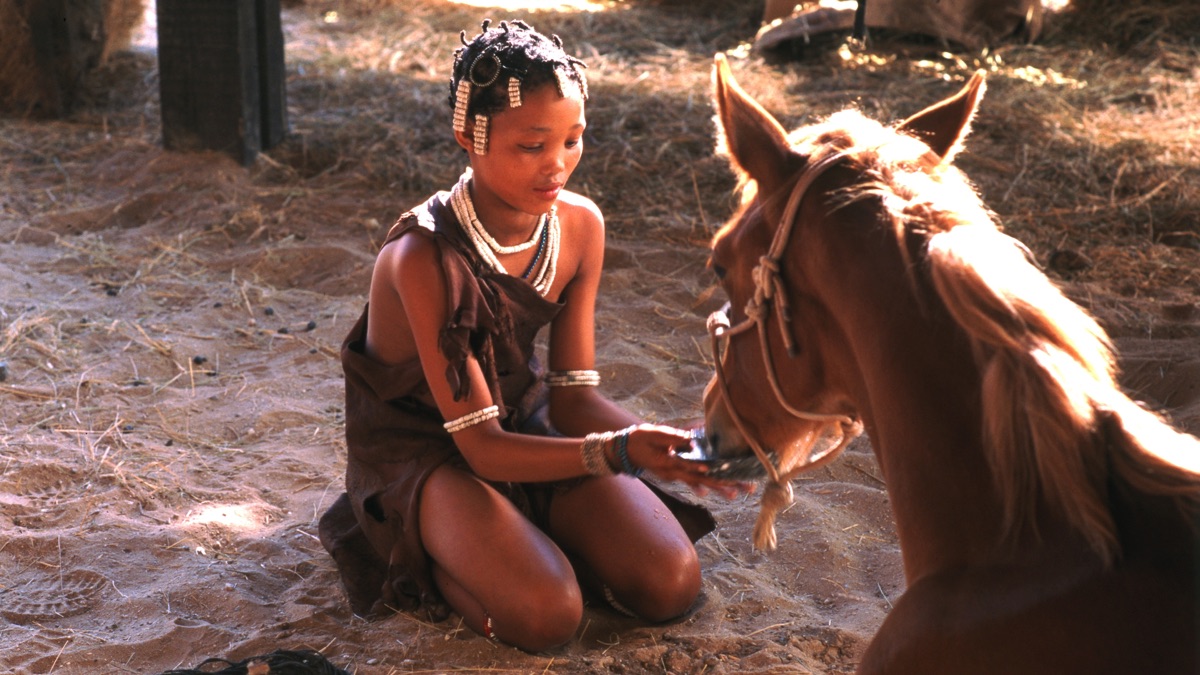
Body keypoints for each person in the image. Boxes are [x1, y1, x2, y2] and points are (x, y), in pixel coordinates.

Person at [318, 19, 732, 653]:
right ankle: (439, 551)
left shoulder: (579, 227)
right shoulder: (421, 258)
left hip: (523, 422)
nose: (557, 165)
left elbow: (571, 400)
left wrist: (680, 446)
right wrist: (622, 452)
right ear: (468, 138)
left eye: (573, 140)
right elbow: (482, 449)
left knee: (669, 583)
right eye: (532, 145)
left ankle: (524, 537)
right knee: (546, 615)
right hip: (427, 452)